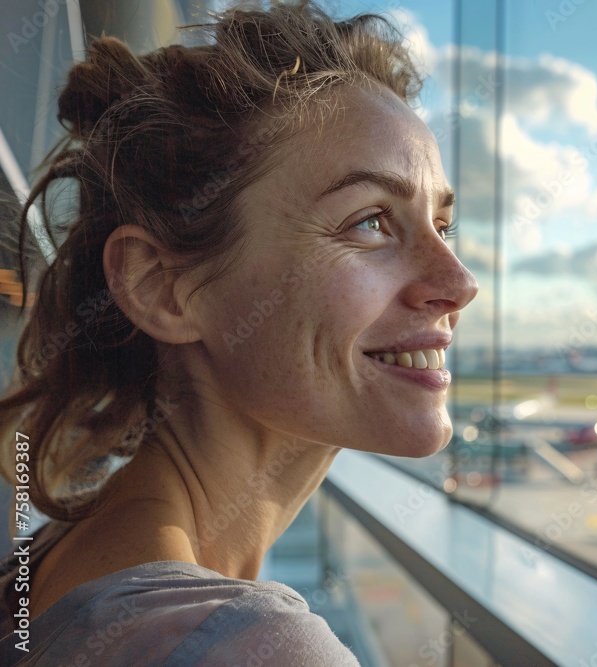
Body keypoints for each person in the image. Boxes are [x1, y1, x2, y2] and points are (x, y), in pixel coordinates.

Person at [0, 0, 477, 663]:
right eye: (370, 220)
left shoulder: (61, 560)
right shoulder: (254, 645)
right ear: (161, 287)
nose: (458, 282)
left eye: (442, 227)